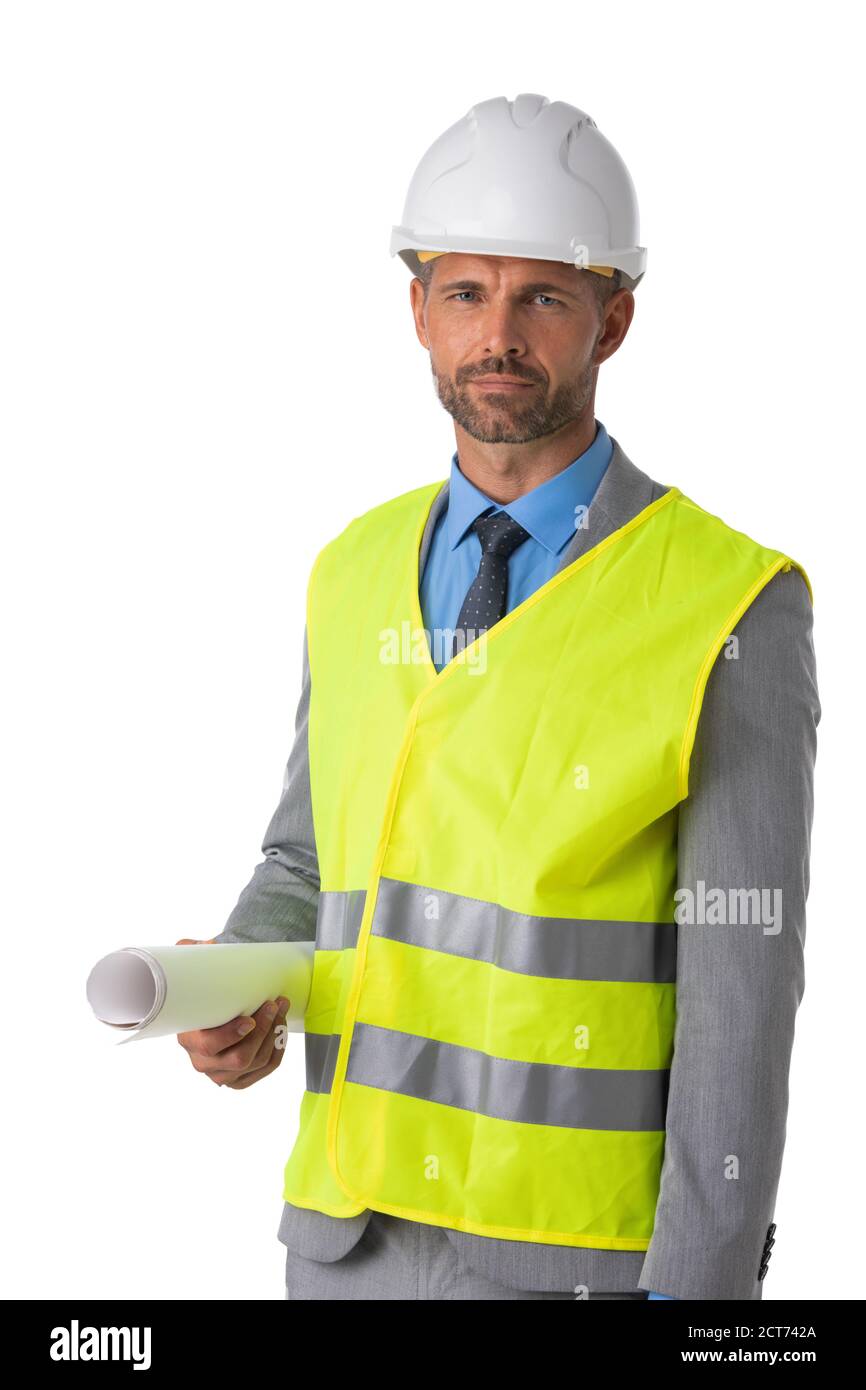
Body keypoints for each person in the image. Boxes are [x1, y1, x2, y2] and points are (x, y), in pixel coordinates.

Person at [177, 93, 819, 1301]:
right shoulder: (352, 567)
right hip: (343, 1243)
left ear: (611, 320)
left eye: (544, 296)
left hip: (574, 1266)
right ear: (417, 312)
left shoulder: (728, 604)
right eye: (465, 292)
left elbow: (743, 986)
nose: (498, 335)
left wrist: (701, 1299)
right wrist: (247, 976)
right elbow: (308, 863)